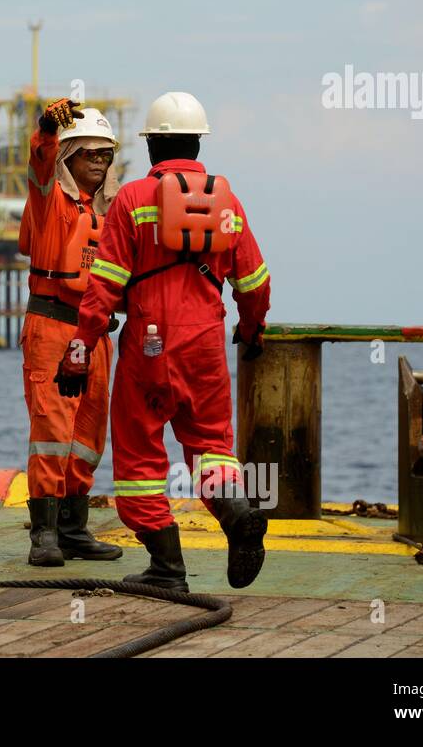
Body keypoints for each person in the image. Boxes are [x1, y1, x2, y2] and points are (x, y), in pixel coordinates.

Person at [55, 92, 271, 590]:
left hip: (148, 344)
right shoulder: (229, 203)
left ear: (151, 146)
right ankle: (237, 512)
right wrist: (252, 330)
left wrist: (80, 350)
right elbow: (255, 282)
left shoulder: (131, 199)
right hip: (207, 343)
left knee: (138, 452)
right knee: (212, 444)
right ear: (197, 144)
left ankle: (167, 567)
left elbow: (103, 286)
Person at [18, 98, 123, 566]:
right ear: (68, 157)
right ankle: (44, 535)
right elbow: (39, 162)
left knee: (87, 436)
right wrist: (45, 130)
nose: (99, 162)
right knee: (51, 434)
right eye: (89, 153)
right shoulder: (48, 200)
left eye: (105, 154)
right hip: (52, 330)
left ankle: (74, 529)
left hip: (96, 335)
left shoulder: (113, 213)